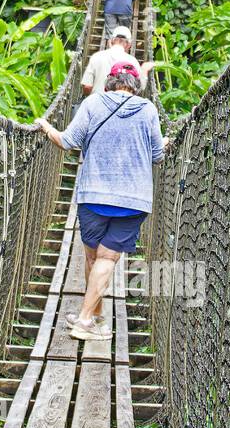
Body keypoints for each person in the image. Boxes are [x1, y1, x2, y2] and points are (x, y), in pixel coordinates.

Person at [37, 66, 167, 341]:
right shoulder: (147, 109)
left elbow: (67, 141)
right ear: (135, 85)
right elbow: (157, 156)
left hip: (92, 195)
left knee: (94, 256)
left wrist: (47, 127)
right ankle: (89, 317)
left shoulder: (93, 102)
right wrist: (164, 142)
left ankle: (88, 317)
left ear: (109, 83)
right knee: (106, 259)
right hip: (132, 199)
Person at [81, 25, 152, 97]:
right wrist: (144, 70)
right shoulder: (132, 61)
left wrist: (90, 97)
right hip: (121, 105)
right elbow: (141, 87)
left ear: (111, 41)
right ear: (129, 45)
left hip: (97, 103)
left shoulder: (96, 57)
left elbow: (87, 86)